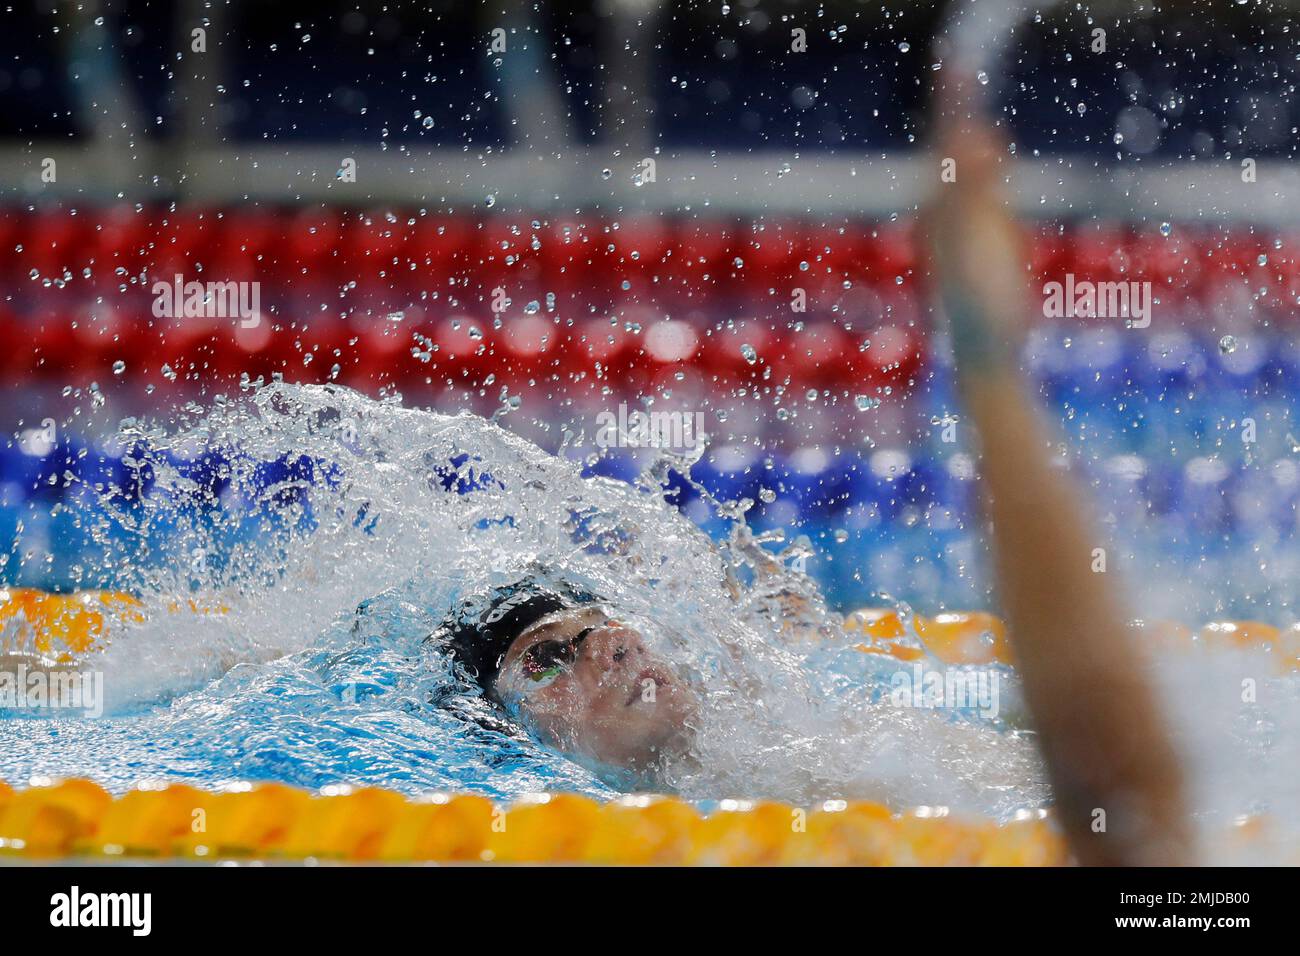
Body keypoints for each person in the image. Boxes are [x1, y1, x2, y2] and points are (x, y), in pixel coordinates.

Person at [429, 82, 1194, 866]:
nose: (611, 645)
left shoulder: (807, 738)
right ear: (506, 740)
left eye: (596, 623)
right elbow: (1119, 806)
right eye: (547, 658)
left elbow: (1101, 801)